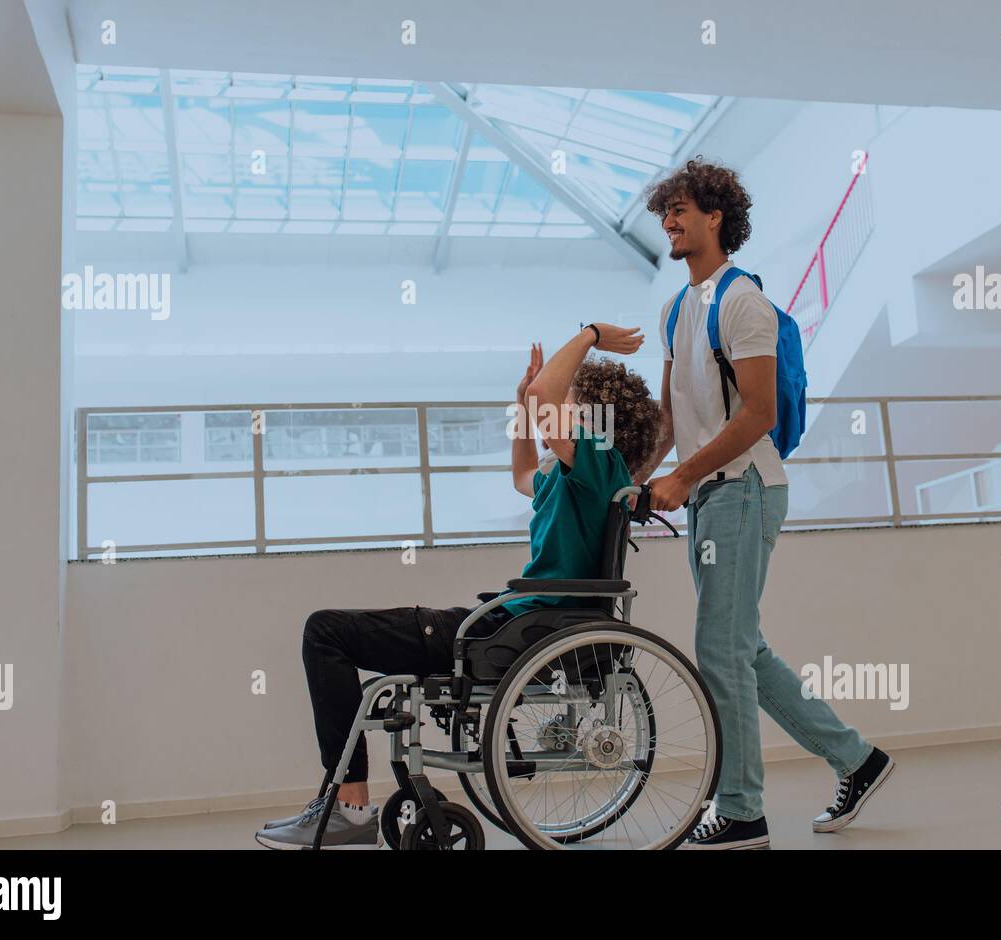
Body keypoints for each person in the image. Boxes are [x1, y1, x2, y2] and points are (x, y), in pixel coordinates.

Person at [255, 324, 660, 849]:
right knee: (336, 634)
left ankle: (350, 808)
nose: (561, 409)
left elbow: (545, 399)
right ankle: (348, 804)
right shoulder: (577, 478)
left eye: (573, 401)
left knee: (325, 632)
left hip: (515, 630)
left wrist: (591, 334)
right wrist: (522, 404)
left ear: (596, 417)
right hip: (512, 625)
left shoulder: (598, 462)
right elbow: (520, 475)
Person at [638, 159, 894, 850]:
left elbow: (758, 413)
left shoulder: (742, 303)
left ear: (715, 217)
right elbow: (670, 418)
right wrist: (636, 478)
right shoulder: (675, 310)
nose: (668, 221)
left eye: (681, 209)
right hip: (710, 495)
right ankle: (857, 759)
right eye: (665, 210)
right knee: (741, 649)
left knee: (719, 650)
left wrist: (684, 477)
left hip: (744, 488)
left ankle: (743, 812)